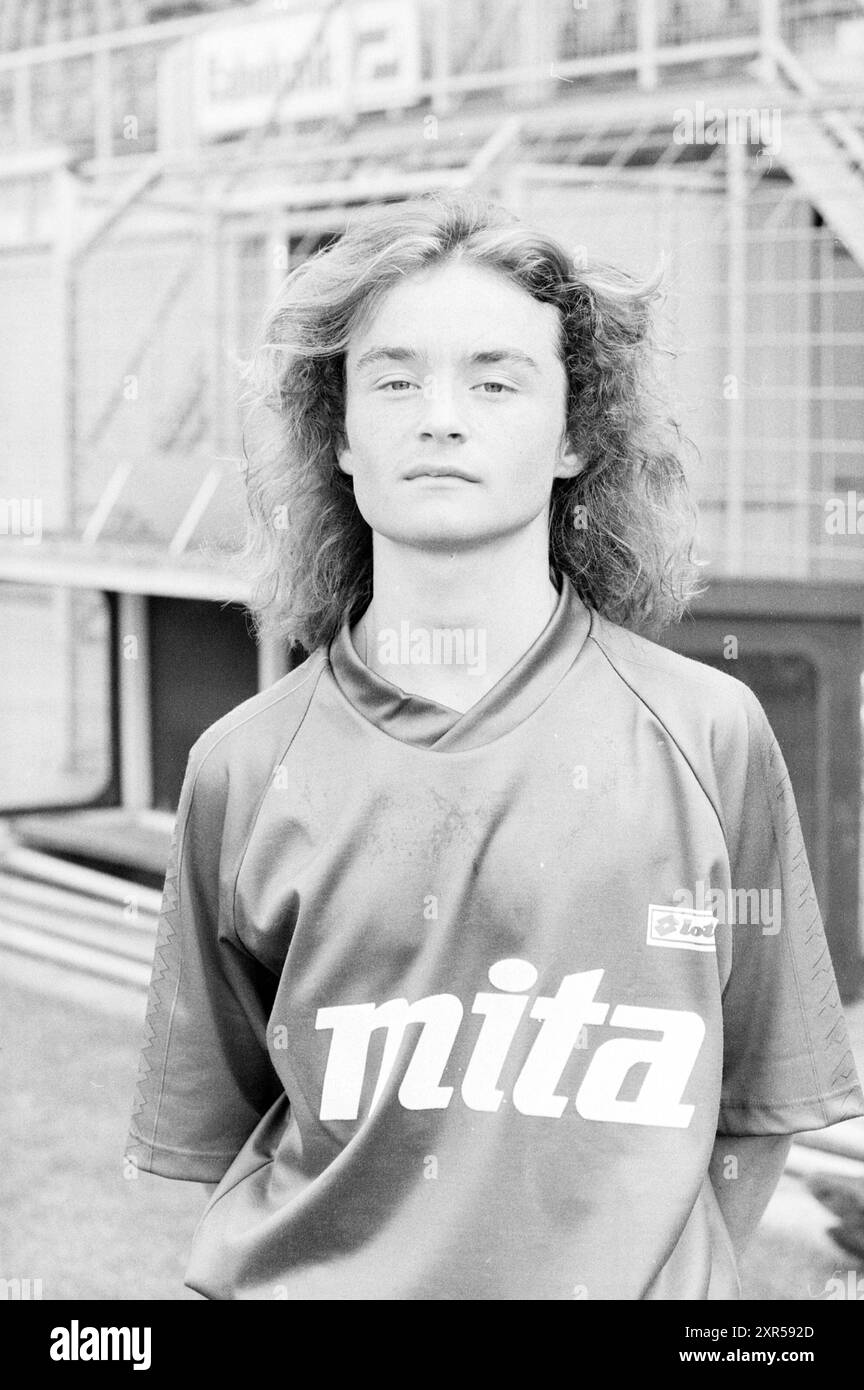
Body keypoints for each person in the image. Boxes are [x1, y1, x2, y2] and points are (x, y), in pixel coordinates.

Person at [126, 192, 864, 1300]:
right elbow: (223, 1129)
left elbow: (755, 1105)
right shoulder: (241, 764)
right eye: (392, 377)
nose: (440, 415)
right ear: (338, 433)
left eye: (496, 377)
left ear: (575, 435)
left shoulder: (710, 733)